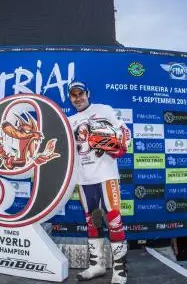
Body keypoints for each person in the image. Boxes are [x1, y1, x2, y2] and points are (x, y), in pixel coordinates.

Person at [67, 81, 130, 284]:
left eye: (81, 93)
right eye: (73, 95)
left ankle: (120, 271)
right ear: (70, 98)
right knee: (92, 220)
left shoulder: (104, 109)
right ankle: (97, 265)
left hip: (106, 175)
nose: (78, 98)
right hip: (84, 178)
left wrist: (120, 145)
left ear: (88, 93)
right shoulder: (69, 121)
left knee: (113, 219)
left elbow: (124, 131)